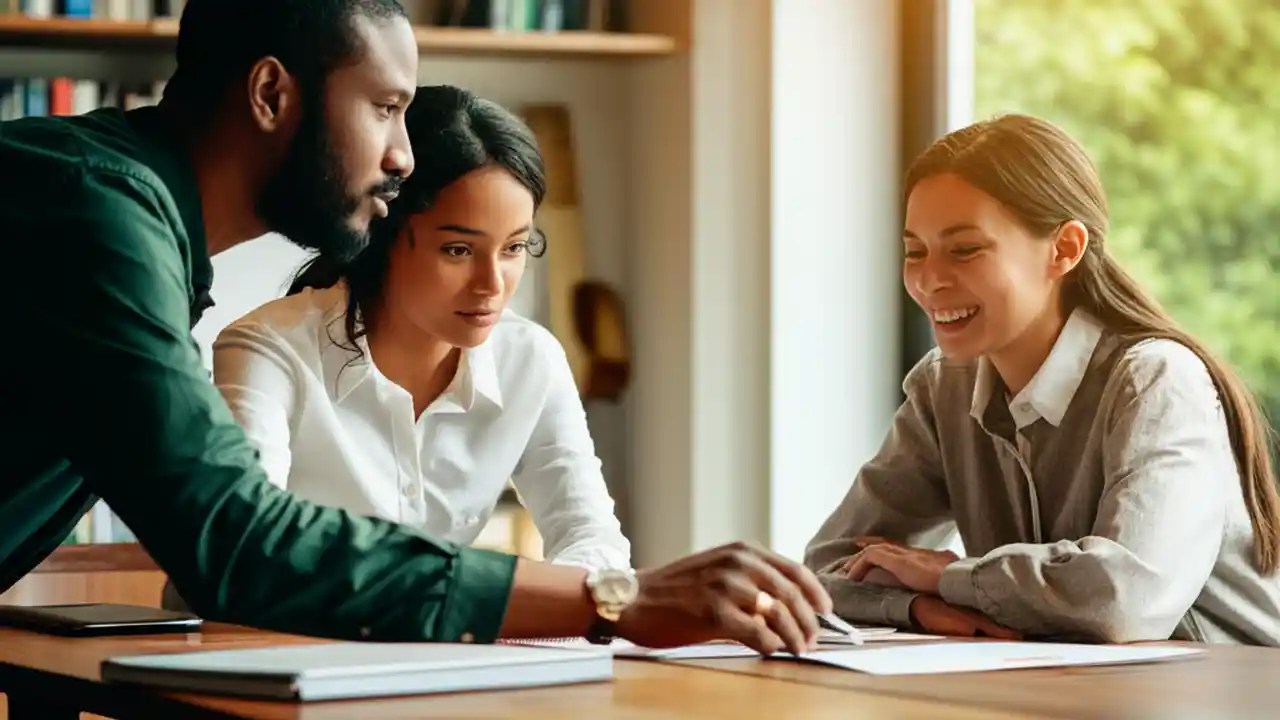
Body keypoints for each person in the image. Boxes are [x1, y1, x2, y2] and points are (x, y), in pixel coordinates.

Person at [1, 0, 831, 655]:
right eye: (385, 108)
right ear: (270, 95)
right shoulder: (96, 218)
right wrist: (614, 598)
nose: (402, 156)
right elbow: (237, 543)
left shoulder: (121, 220)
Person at [805, 114, 1280, 645]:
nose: (929, 279)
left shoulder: (1155, 381)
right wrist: (916, 607)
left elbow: (1124, 601)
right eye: (915, 251)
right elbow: (826, 568)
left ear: (1064, 249)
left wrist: (949, 577)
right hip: (1072, 685)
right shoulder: (944, 389)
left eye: (965, 250)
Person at [180, 85, 629, 596]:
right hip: (266, 636)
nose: (492, 284)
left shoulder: (530, 360)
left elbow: (594, 538)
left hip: (435, 640)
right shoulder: (270, 349)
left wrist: (578, 599)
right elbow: (246, 546)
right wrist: (476, 595)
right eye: (458, 250)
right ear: (383, 235)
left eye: (514, 248)